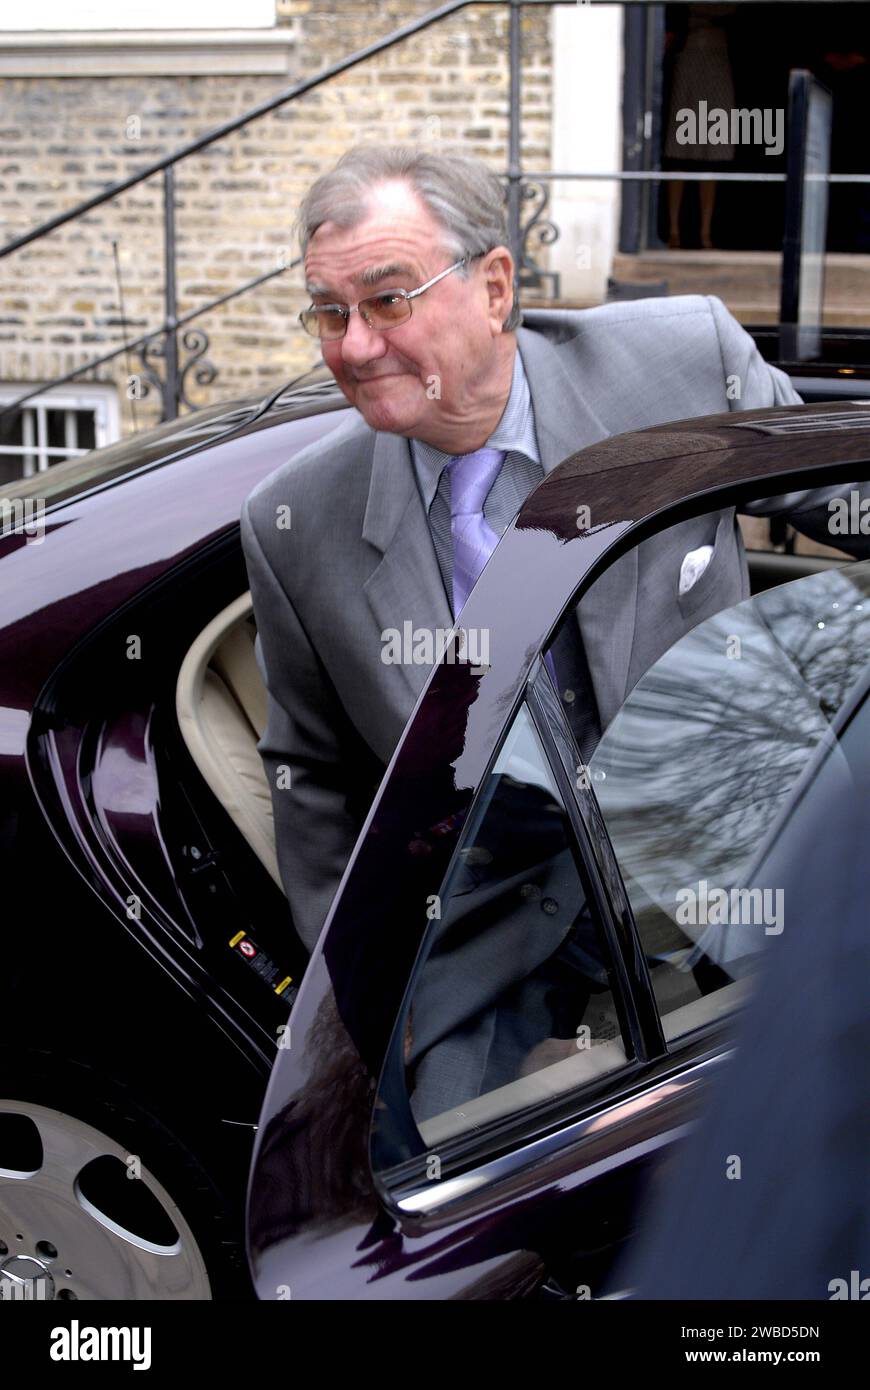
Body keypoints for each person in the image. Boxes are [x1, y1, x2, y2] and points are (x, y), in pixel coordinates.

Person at [240, 142, 846, 959]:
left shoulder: (683, 366)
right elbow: (310, 777)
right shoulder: (296, 523)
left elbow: (844, 497)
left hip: (762, 869)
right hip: (504, 953)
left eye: (386, 301)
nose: (352, 347)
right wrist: (363, 991)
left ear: (493, 287)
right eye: (328, 311)